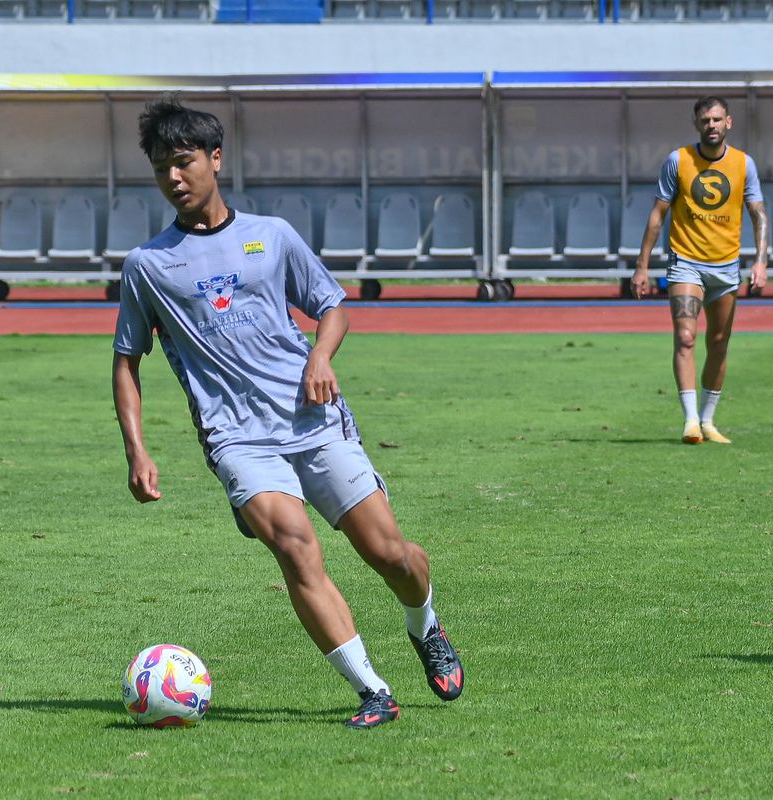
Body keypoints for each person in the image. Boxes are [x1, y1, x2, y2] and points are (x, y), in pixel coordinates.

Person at [112, 96, 463, 729]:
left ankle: (425, 624)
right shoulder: (148, 266)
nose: (174, 178)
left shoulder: (271, 236)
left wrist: (320, 357)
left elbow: (332, 307)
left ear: (216, 159)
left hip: (313, 420)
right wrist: (137, 451)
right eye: (162, 168)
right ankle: (373, 691)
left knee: (392, 556)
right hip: (237, 439)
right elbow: (126, 363)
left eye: (184, 162)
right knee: (297, 551)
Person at [632, 96, 769, 445]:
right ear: (696, 124)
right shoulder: (678, 161)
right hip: (686, 263)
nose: (712, 125)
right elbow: (657, 214)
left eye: (717, 119)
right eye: (705, 120)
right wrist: (641, 266)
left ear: (728, 122)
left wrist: (761, 260)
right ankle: (690, 421)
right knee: (686, 337)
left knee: (719, 343)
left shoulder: (744, 164)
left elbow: (759, 214)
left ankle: (708, 421)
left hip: (726, 267)